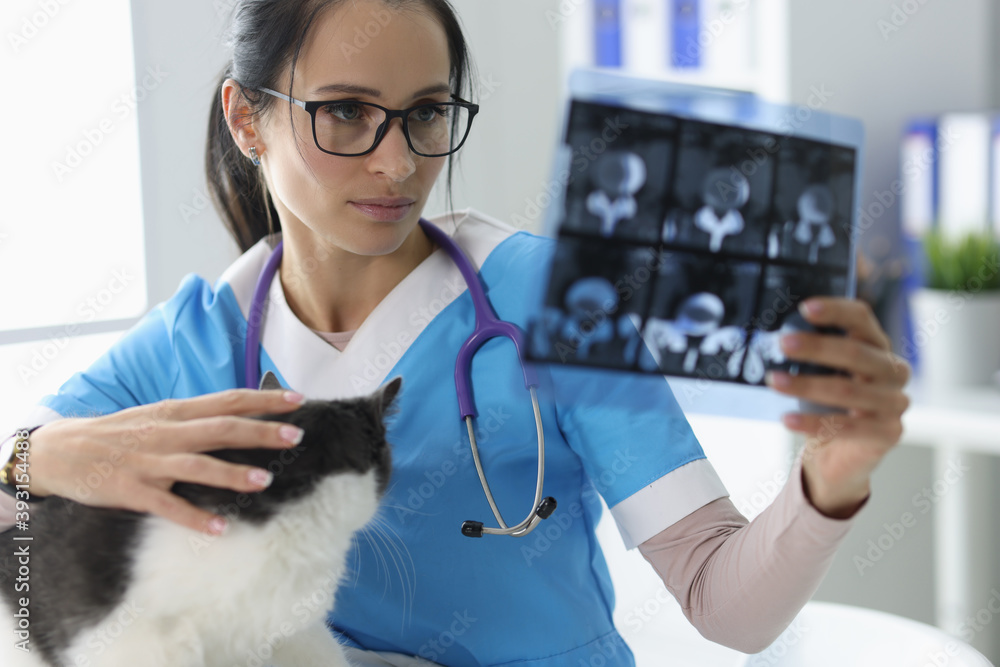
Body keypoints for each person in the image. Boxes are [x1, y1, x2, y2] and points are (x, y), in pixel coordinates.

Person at [0, 1, 910, 665]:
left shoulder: (554, 297)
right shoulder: (199, 334)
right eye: (345, 112)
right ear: (249, 119)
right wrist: (38, 458)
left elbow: (730, 608)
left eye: (427, 113)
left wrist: (827, 483)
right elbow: (16, 495)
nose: (398, 163)